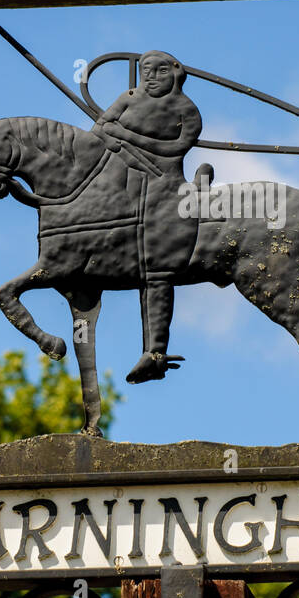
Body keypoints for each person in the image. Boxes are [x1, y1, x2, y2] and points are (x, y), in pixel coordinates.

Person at [92, 51, 202, 383]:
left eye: (159, 70)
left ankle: (154, 351)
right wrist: (112, 138)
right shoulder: (127, 98)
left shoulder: (187, 110)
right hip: (117, 183)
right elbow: (96, 134)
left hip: (164, 188)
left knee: (156, 266)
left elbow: (176, 149)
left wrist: (127, 136)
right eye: (145, 71)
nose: (151, 76)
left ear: (175, 73)